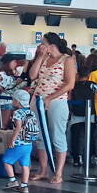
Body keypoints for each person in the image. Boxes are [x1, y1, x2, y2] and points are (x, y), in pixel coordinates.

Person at [29, 32, 77, 184]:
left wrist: (50, 98)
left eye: (43, 43)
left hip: (57, 101)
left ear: (52, 45)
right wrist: (39, 57)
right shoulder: (44, 58)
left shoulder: (67, 60)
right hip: (38, 100)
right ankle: (43, 170)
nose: (40, 45)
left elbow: (70, 84)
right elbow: (32, 76)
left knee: (57, 135)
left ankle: (59, 172)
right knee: (39, 136)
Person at [2, 89, 41, 193]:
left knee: (6, 161)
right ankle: (24, 186)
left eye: (14, 99)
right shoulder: (30, 112)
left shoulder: (17, 113)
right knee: (25, 164)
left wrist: (13, 140)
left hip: (19, 143)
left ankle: (12, 181)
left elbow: (18, 127)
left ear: (18, 102)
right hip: (28, 143)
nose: (12, 101)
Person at [0, 55, 21, 129]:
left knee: (8, 124)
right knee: (4, 125)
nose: (15, 63)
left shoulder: (11, 73)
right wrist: (0, 88)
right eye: (13, 61)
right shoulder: (2, 74)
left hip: (10, 100)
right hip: (5, 101)